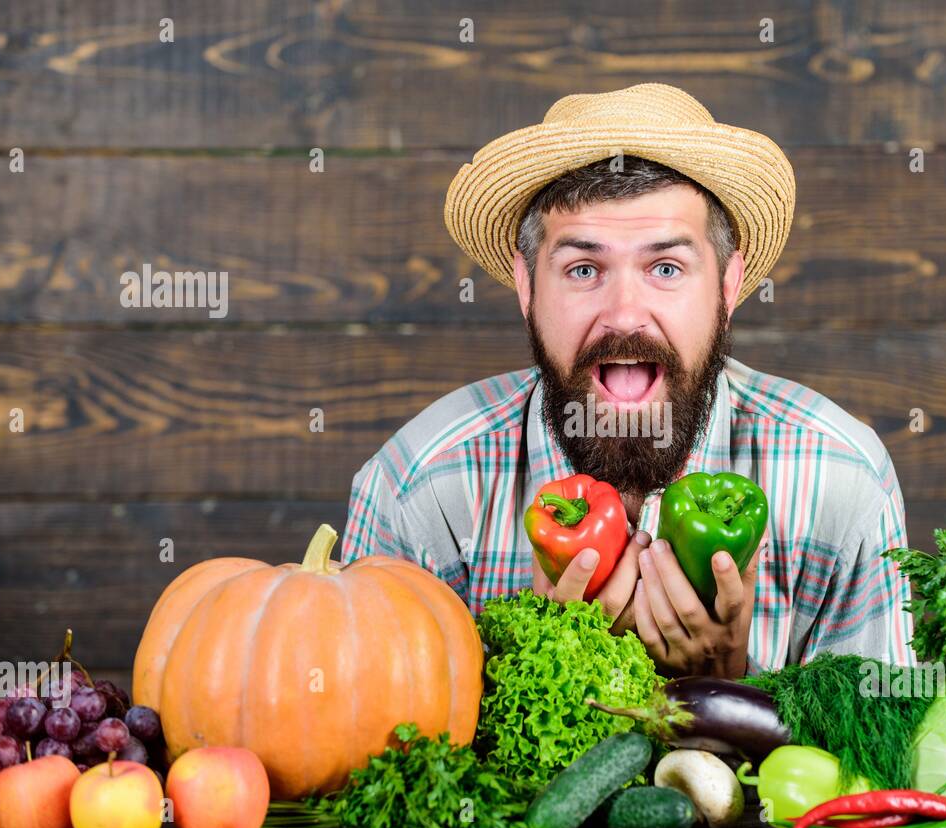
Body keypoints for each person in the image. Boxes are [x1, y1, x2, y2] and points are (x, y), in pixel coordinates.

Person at [344, 83, 913, 678]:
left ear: (727, 285)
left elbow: (881, 759)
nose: (623, 313)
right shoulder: (418, 492)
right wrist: (533, 671)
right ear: (527, 287)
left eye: (666, 268)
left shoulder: (842, 481)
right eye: (583, 269)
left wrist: (725, 687)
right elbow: (361, 743)